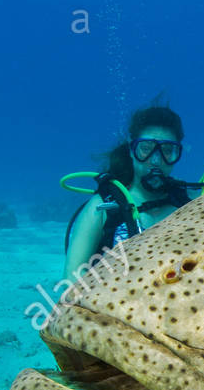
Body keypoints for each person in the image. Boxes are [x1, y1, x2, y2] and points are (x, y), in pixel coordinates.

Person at [63, 103, 194, 282]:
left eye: (167, 151)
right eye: (146, 149)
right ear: (132, 151)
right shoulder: (102, 208)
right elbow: (72, 278)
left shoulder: (191, 205)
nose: (156, 160)